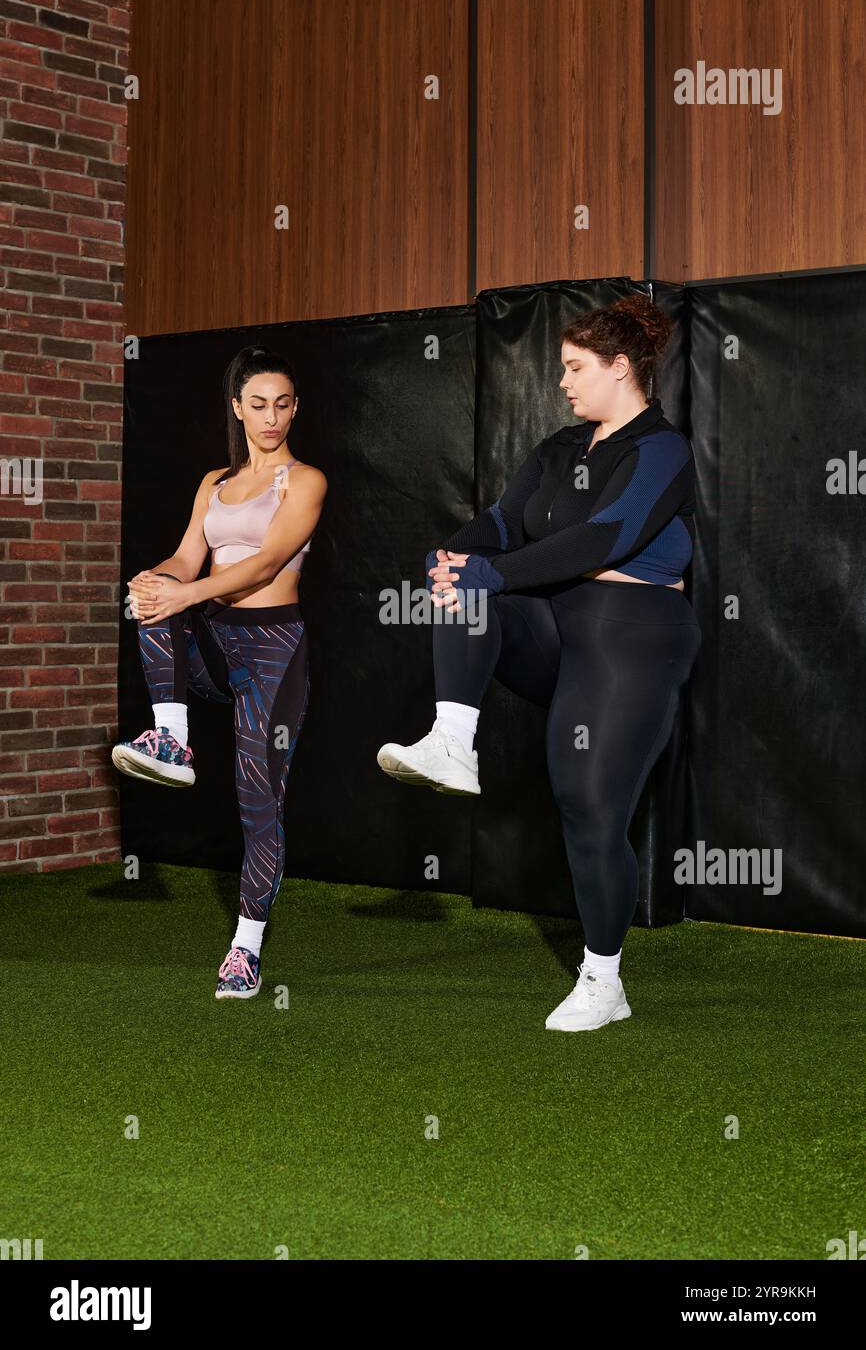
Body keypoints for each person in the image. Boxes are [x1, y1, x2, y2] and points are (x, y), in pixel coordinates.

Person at [377, 294, 702, 1033]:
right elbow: (500, 522)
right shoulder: (559, 448)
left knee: (588, 807)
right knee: (466, 590)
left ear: (622, 370)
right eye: (561, 369)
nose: (563, 382)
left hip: (634, 637)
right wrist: (453, 555)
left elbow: (607, 538)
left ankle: (604, 979)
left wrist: (494, 572)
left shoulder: (662, 450)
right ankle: (453, 740)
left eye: (575, 368)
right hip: (558, 622)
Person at [111, 346, 327, 1000]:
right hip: (214, 639)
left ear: (295, 407)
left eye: (283, 403)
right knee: (153, 593)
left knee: (258, 797)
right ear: (237, 408)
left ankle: (246, 947)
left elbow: (263, 566)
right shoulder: (214, 482)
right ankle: (170, 737)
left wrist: (188, 591)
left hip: (273, 652)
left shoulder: (306, 480)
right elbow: (185, 557)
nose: (271, 417)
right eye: (258, 404)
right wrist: (159, 583)